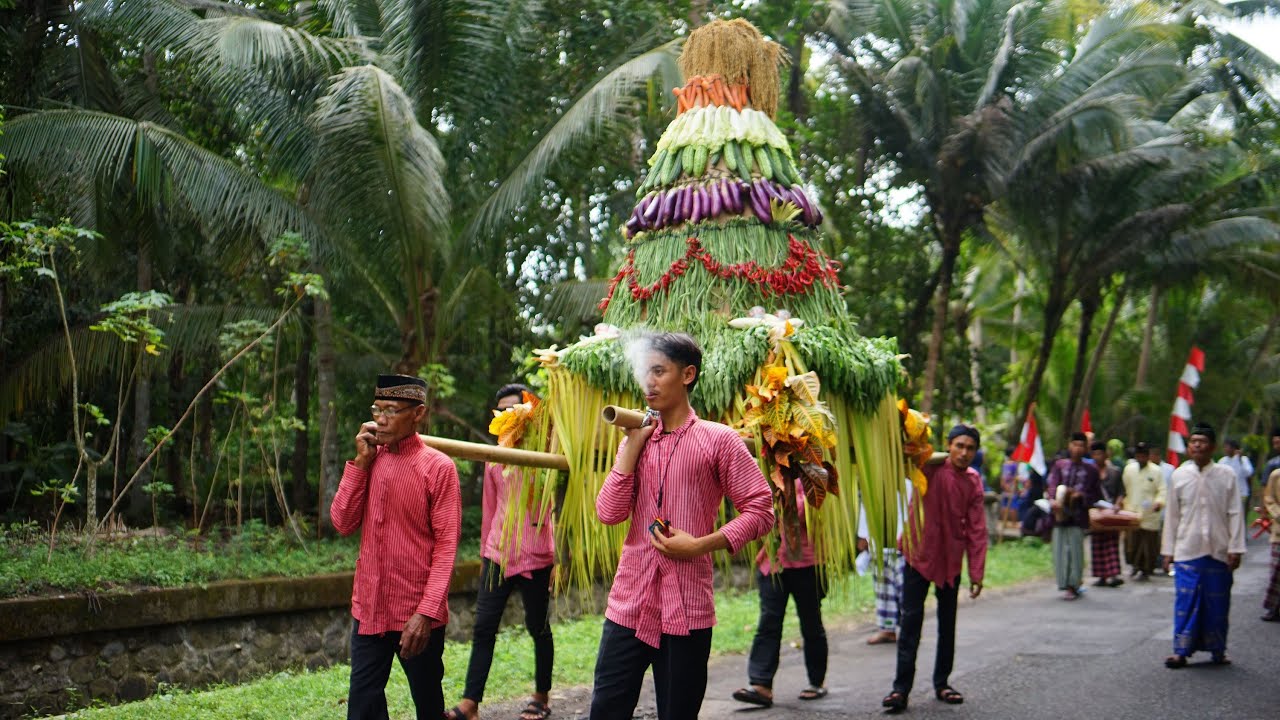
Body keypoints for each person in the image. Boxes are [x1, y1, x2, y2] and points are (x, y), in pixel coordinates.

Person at [589, 332, 774, 720]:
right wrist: (632, 447)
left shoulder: (718, 440)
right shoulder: (636, 438)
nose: (648, 382)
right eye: (645, 371)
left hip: (686, 608)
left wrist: (701, 545)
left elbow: (760, 510)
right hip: (629, 602)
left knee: (678, 714)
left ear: (687, 374)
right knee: (606, 710)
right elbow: (607, 512)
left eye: (659, 371)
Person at [331, 374, 462, 720]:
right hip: (370, 609)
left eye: (392, 410)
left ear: (418, 413)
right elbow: (342, 523)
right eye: (377, 409)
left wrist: (426, 613)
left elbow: (447, 546)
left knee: (428, 704)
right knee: (362, 708)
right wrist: (360, 463)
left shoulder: (439, 468)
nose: (381, 419)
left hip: (416, 614)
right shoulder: (370, 459)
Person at [447, 384, 556, 720]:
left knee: (538, 626)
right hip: (497, 555)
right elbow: (490, 509)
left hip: (537, 555)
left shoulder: (545, 452)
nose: (507, 415)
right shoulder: (495, 457)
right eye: (501, 410)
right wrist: (483, 555)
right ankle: (471, 703)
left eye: (514, 408)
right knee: (483, 628)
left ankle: (541, 696)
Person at [880, 425, 987, 714]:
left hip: (950, 561)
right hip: (919, 555)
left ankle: (943, 683)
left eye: (970, 448)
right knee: (910, 622)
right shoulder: (929, 466)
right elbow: (904, 455)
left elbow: (977, 529)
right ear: (948, 445)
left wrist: (977, 572)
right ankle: (900, 690)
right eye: (959, 446)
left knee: (947, 623)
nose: (964, 453)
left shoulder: (974, 481)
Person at [732, 485, 828, 708]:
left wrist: (779, 497)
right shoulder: (767, 473)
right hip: (773, 563)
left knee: (811, 623)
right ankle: (760, 685)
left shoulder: (813, 471)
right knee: (768, 623)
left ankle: (816, 682)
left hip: (808, 562)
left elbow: (806, 511)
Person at [1162, 423, 1246, 668]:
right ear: (1188, 447)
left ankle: (1218, 650)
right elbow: (1172, 517)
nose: (1197, 445)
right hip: (1187, 549)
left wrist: (1235, 548)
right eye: (1193, 441)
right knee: (1185, 602)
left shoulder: (1226, 475)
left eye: (1202, 441)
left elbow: (1235, 513)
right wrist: (1167, 551)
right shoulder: (1179, 476)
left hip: (1218, 550)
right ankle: (1180, 651)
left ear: (1213, 447)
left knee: (1217, 602)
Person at [1047, 432, 1101, 601]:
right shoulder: (1060, 466)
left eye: (1081, 446)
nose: (1077, 449)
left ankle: (1074, 584)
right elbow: (1052, 486)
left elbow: (1095, 495)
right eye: (1074, 445)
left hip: (1078, 517)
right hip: (1060, 517)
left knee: (1076, 552)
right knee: (1061, 551)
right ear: (1069, 446)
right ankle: (1064, 583)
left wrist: (1080, 496)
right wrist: (1052, 500)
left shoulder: (1091, 470)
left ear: (1085, 448)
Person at [1122, 443, 1165, 581]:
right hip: (1132, 511)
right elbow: (1124, 488)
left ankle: (1147, 568)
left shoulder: (1156, 471)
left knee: (1150, 543)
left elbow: (1162, 490)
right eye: (1139, 456)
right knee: (1132, 542)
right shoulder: (1129, 469)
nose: (1141, 458)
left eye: (1144, 456)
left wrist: (1159, 502)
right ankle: (1135, 565)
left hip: (1150, 513)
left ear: (1148, 456)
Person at [1090, 441, 1126, 588]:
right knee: (1097, 543)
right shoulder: (1090, 472)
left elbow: (1121, 492)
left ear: (1106, 454)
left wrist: (1117, 505)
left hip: (1111, 513)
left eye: (1100, 453)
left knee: (1112, 543)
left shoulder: (1115, 472)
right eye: (1094, 454)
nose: (1097, 457)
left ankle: (1113, 574)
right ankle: (1101, 576)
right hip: (1096, 513)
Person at [1262, 464, 1280, 622]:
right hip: (1279, 532)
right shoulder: (1276, 475)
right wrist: (1278, 514)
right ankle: (1273, 607)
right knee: (1276, 570)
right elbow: (1269, 499)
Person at [1218, 439, 1254, 519]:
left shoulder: (1244, 459)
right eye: (1224, 447)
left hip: (1241, 493)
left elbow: (1248, 472)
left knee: (1240, 517)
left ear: (1233, 448)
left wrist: (1240, 460)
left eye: (1227, 447)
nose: (1225, 449)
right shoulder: (1222, 461)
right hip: (1227, 493)